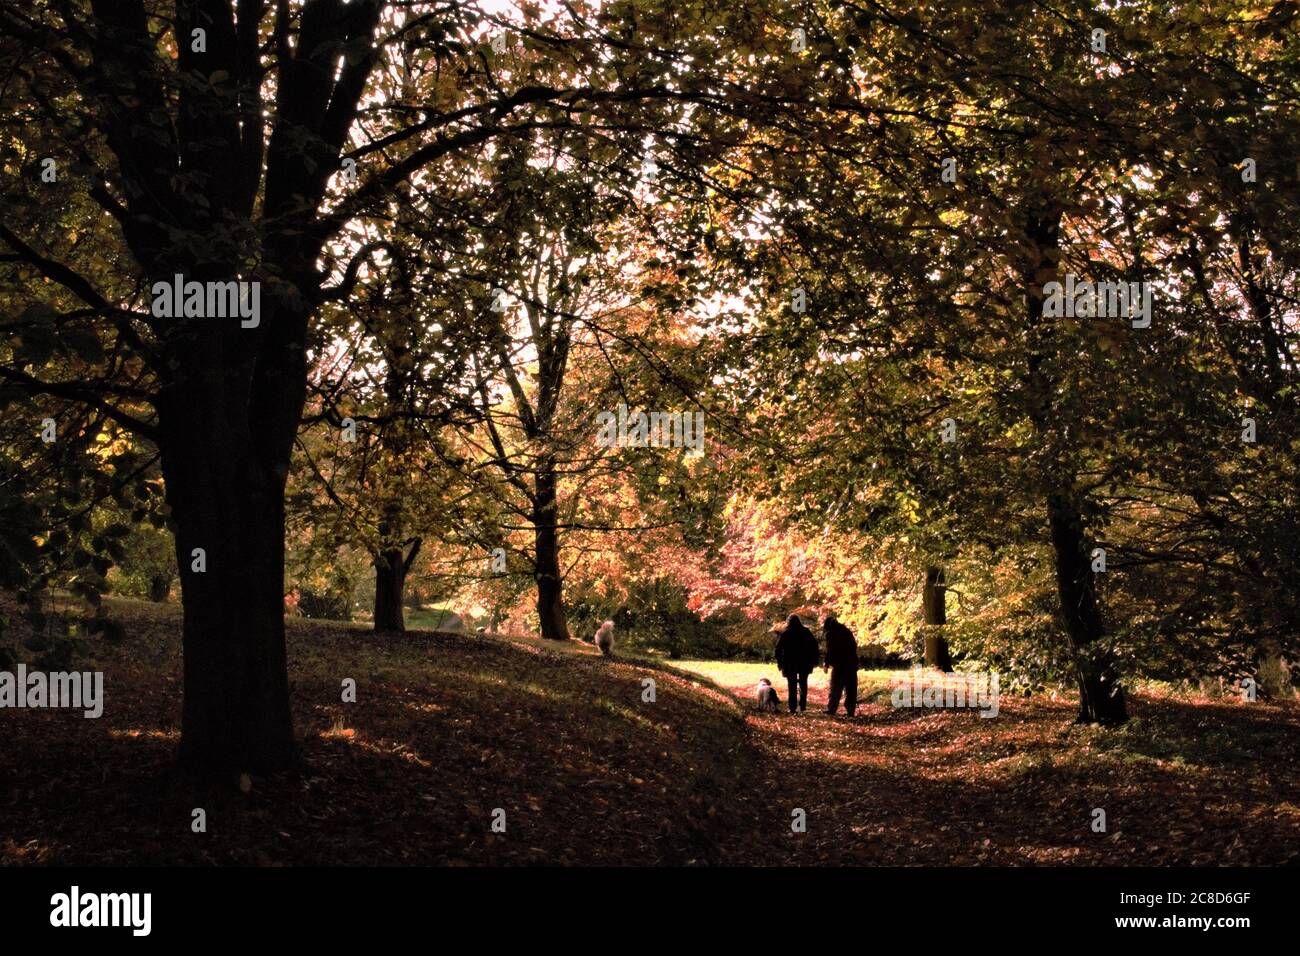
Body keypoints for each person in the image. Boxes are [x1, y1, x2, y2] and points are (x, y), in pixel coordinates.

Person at [775, 613, 819, 713]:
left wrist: (780, 663)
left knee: (792, 685)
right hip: (805, 663)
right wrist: (814, 660)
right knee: (803, 683)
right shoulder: (806, 632)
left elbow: (778, 649)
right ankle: (802, 705)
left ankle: (792, 707)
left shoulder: (786, 633)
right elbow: (815, 646)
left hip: (790, 663)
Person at [822, 613, 859, 717]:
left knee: (835, 688)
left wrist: (826, 663)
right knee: (851, 689)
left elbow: (830, 650)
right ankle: (850, 711)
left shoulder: (831, 634)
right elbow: (854, 646)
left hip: (839, 665)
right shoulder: (847, 631)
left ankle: (832, 709)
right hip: (851, 664)